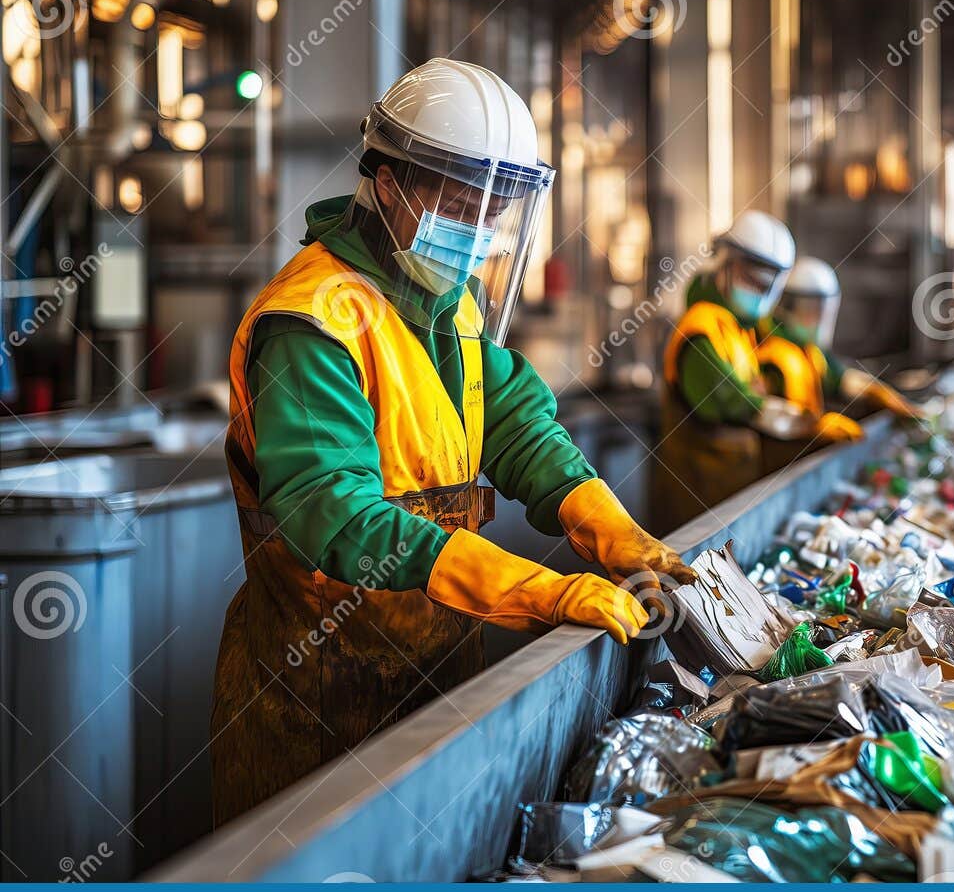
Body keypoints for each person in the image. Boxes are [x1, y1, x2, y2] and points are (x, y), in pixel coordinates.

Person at [211, 59, 693, 824]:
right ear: (389, 182)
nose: (479, 232)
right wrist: (534, 587)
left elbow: (515, 423)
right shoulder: (311, 322)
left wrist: (603, 521)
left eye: (494, 210)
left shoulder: (447, 303)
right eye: (462, 204)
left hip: (434, 682)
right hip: (317, 705)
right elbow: (334, 513)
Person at [653, 212, 861, 531]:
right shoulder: (700, 331)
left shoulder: (741, 327)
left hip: (730, 495)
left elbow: (800, 342)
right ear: (723, 264)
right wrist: (812, 426)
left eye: (772, 281)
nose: (762, 289)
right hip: (694, 504)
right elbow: (738, 403)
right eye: (752, 277)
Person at [757, 256, 923, 429]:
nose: (820, 319)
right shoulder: (772, 353)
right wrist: (817, 429)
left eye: (823, 309)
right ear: (784, 307)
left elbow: (843, 380)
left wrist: (878, 393)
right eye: (810, 310)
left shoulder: (810, 351)